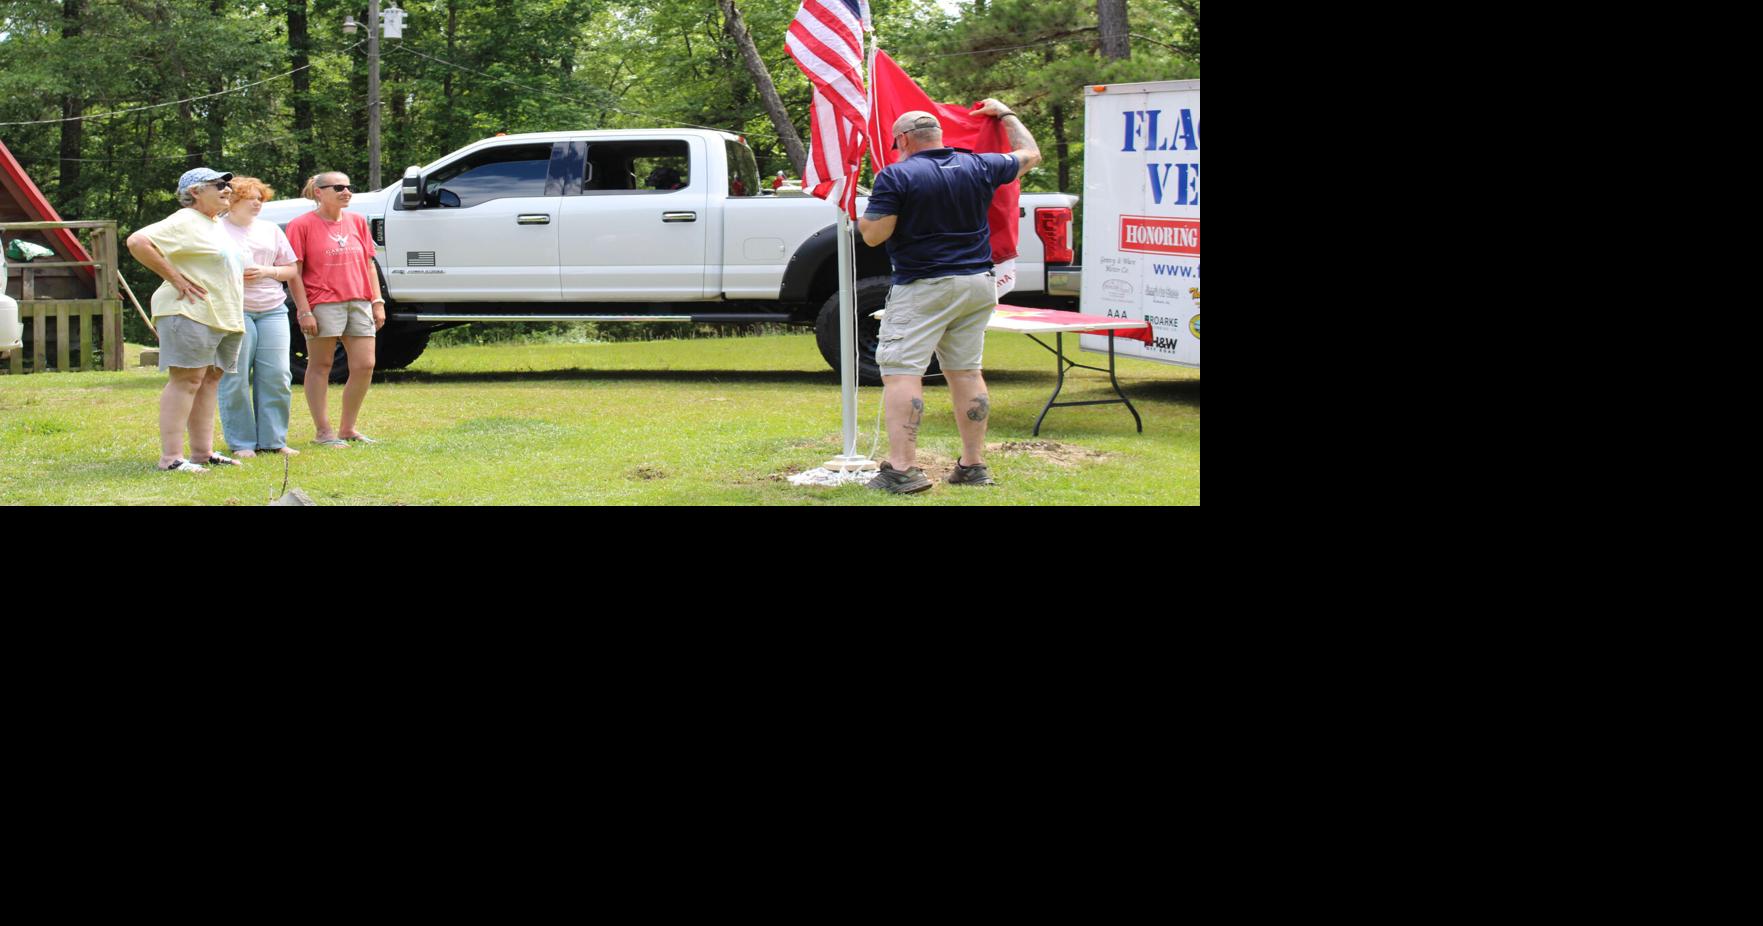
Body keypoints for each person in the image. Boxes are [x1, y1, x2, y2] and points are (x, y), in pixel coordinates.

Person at [857, 101, 1041, 493]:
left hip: (925, 283)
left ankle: (902, 469)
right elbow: (1031, 154)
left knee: (902, 370)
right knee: (966, 371)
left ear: (903, 140)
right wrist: (1007, 114)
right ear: (939, 137)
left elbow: (875, 234)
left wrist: (864, 215)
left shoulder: (897, 174)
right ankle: (973, 466)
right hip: (977, 281)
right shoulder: (979, 165)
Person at [126, 167, 247, 472]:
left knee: (208, 381)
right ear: (195, 192)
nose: (227, 189)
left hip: (220, 315)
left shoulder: (215, 223)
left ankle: (202, 453)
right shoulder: (185, 219)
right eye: (219, 184)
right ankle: (170, 459)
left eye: (228, 185)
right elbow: (138, 242)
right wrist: (176, 278)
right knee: (187, 380)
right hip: (189, 312)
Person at [286, 171, 385, 447]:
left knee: (365, 365)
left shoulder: (357, 221)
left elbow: (369, 264)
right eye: (339, 187)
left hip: (359, 301)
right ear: (319, 192)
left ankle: (348, 428)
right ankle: (323, 431)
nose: (347, 192)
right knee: (321, 365)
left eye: (349, 187)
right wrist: (304, 310)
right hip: (323, 302)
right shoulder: (300, 225)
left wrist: (377, 301)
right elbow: (295, 272)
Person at [217, 176, 304, 458]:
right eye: (251, 198)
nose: (257, 203)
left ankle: (273, 440)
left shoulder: (271, 230)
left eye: (260, 198)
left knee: (278, 374)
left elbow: (291, 269)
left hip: (273, 309)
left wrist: (268, 272)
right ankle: (241, 443)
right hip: (234, 308)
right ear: (232, 200)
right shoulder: (215, 229)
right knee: (236, 376)